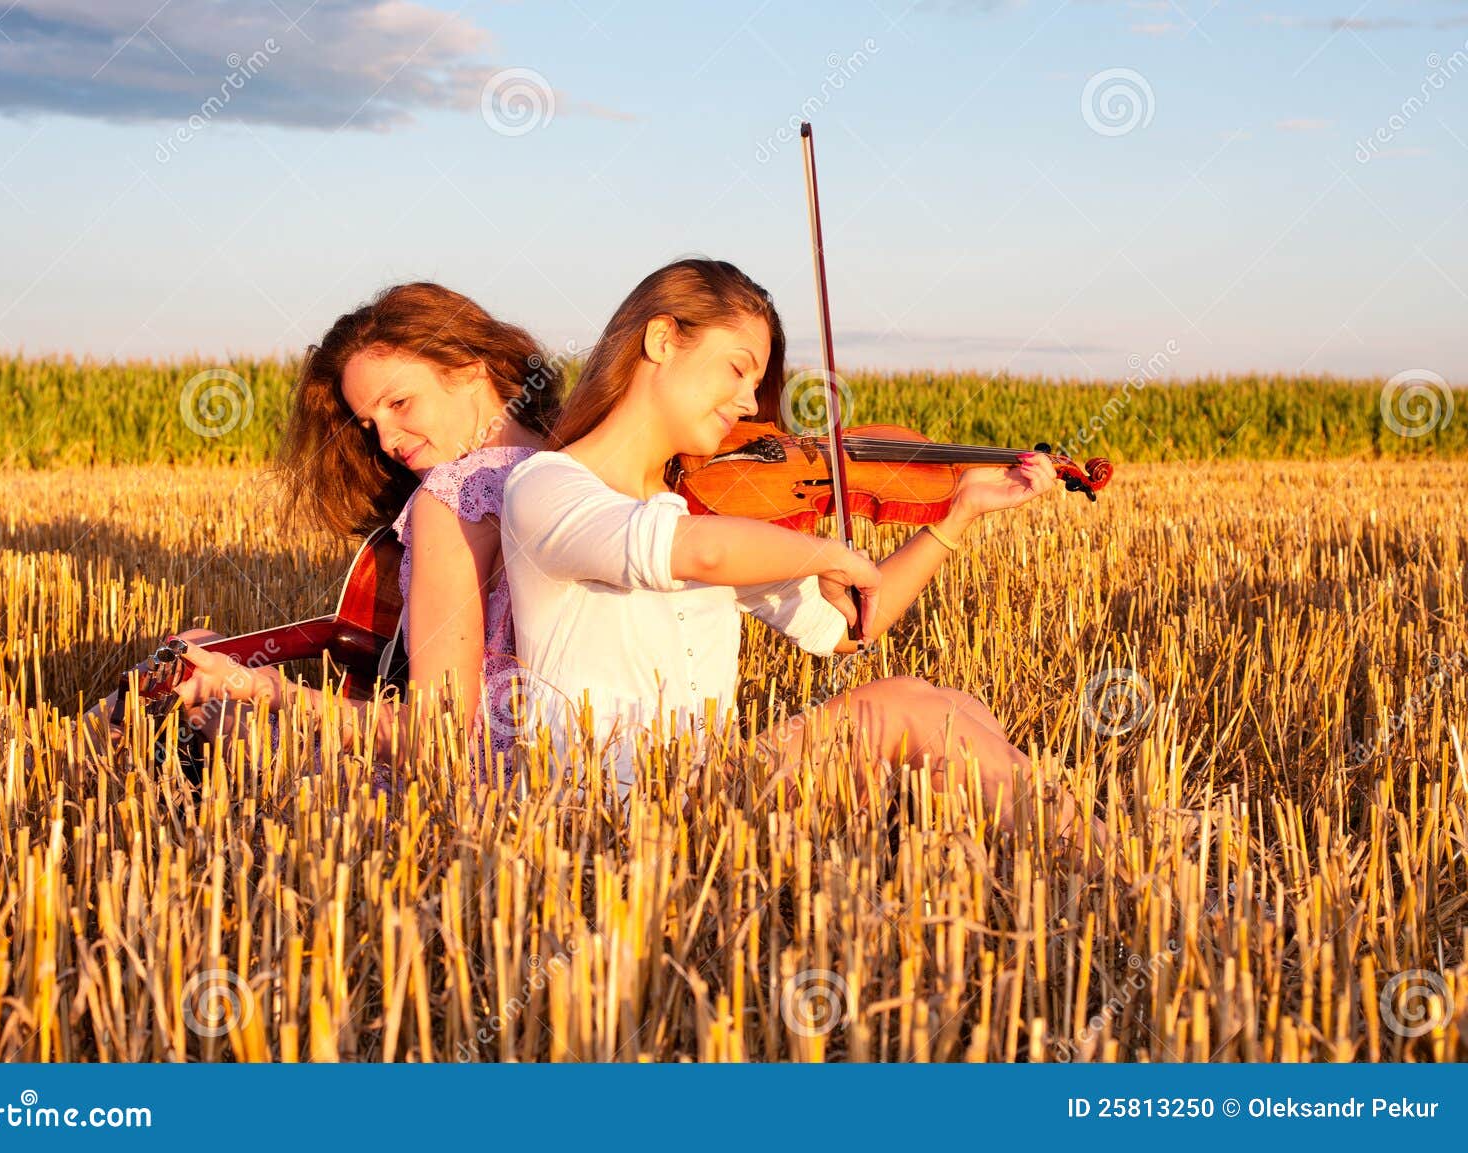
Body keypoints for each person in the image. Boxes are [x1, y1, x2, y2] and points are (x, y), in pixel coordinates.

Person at [500, 258, 1102, 850]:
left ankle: (1008, 856)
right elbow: (697, 554)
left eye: (756, 383)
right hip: (606, 811)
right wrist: (821, 554)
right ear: (661, 339)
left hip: (703, 791)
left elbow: (848, 628)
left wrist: (959, 511)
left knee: (944, 702)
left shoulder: (709, 505)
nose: (746, 400)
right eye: (737, 370)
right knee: (899, 710)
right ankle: (1116, 858)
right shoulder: (547, 488)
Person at [85, 283, 556, 780]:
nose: (388, 441)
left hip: (458, 788)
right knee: (200, 649)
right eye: (369, 424)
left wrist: (268, 690)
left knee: (190, 676)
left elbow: (437, 740)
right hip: (553, 767)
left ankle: (48, 767)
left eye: (399, 402)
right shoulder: (569, 464)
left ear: (469, 369)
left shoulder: (456, 494)